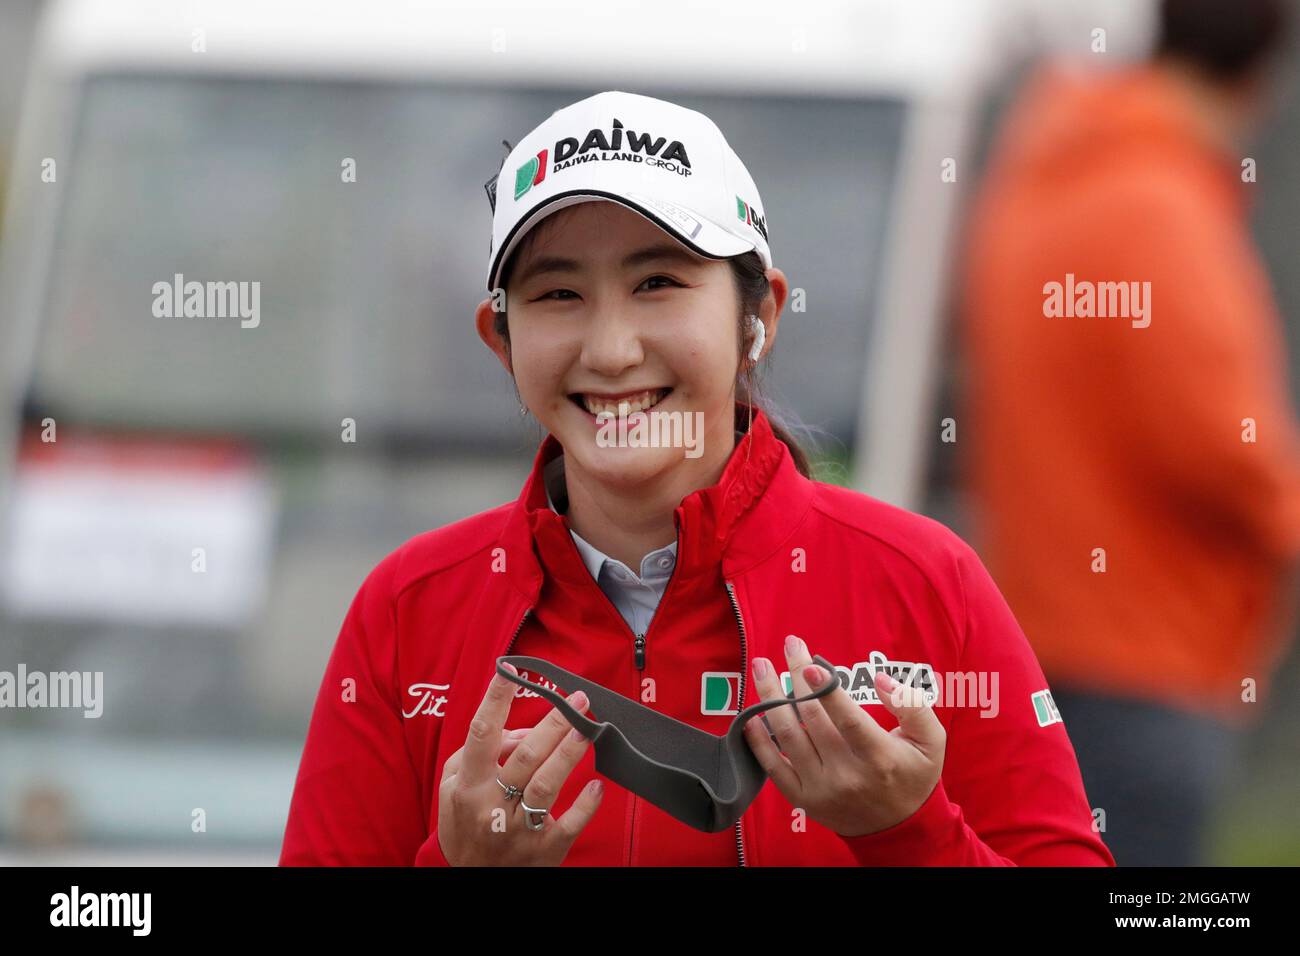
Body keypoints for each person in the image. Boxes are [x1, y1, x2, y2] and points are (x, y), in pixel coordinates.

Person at [279, 90, 1113, 866]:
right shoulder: (407, 610)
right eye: (557, 292)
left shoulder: (927, 582)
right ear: (501, 341)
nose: (609, 350)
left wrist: (908, 832)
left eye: (658, 284)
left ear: (760, 318)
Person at [960, 0, 1300, 865]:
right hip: (1149, 655)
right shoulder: (1161, 203)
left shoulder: (1039, 177)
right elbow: (1222, 443)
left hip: (1042, 633)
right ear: (1259, 72)